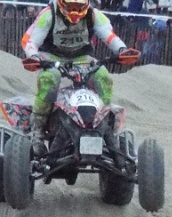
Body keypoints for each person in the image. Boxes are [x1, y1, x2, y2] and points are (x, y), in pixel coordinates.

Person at [21, 0, 139, 155]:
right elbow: (29, 42)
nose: (74, 11)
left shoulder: (93, 14)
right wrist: (34, 58)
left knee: (103, 76)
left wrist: (122, 49)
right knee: (49, 79)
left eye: (79, 7)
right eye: (70, 6)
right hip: (51, 56)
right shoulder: (48, 14)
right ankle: (37, 131)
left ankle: (108, 130)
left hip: (81, 57)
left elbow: (109, 36)